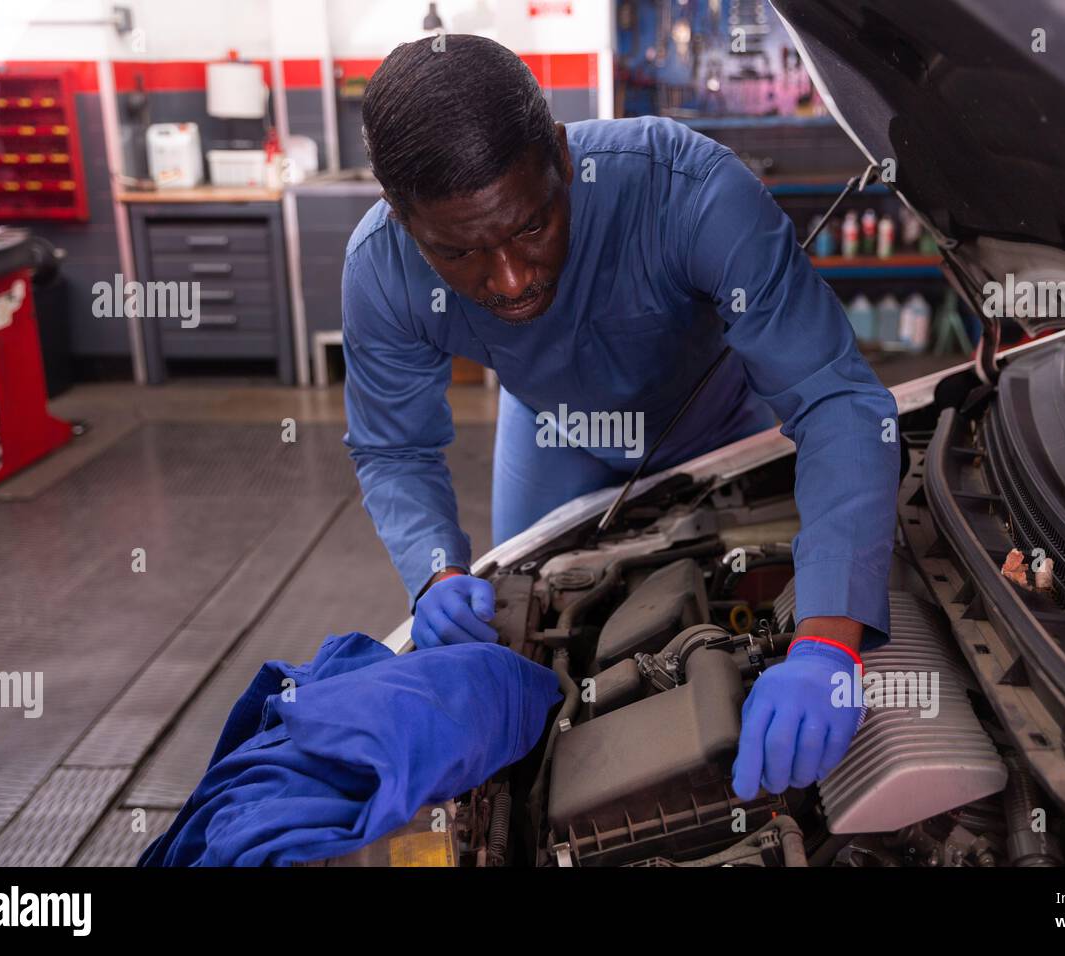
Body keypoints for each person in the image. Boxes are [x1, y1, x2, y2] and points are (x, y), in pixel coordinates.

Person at [342, 35, 899, 799]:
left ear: (561, 156)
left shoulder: (691, 191)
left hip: (718, 426)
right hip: (554, 433)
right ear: (402, 219)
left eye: (531, 227)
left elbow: (835, 399)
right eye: (460, 252)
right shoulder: (380, 269)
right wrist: (436, 571)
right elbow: (395, 449)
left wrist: (831, 641)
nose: (511, 278)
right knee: (526, 632)